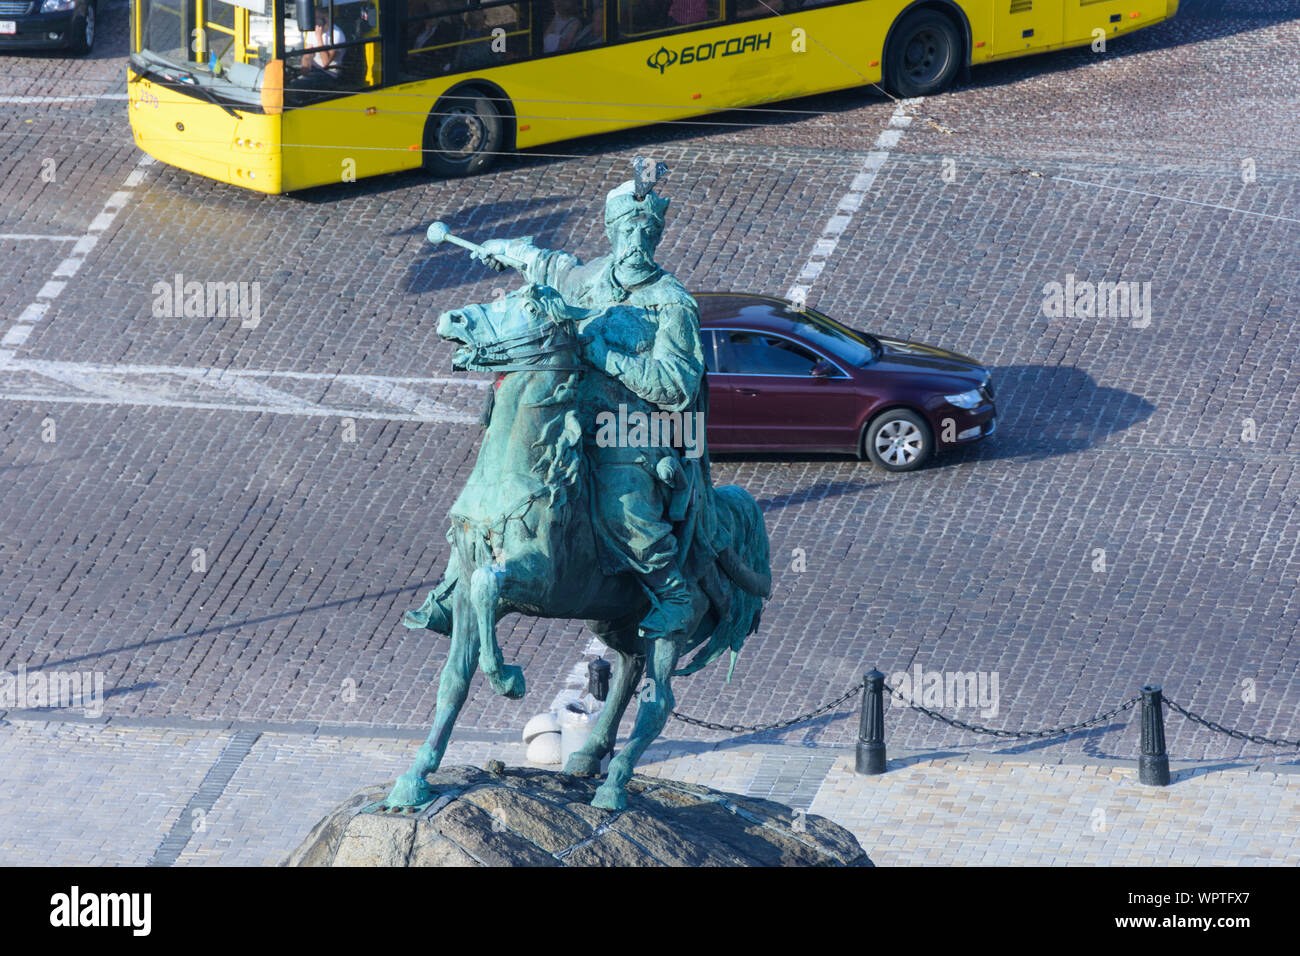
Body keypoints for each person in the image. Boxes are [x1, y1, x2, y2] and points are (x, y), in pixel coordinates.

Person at [408, 168, 711, 650]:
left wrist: (604, 355)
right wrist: (499, 249)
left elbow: (676, 387)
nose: (636, 240)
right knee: (493, 472)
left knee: (623, 508)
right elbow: (540, 262)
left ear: (657, 236)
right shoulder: (586, 276)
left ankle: (672, 593)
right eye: (627, 230)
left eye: (646, 231)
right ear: (611, 233)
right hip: (563, 408)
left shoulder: (672, 304)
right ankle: (451, 586)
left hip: (625, 427)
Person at [292, 2, 346, 88]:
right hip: (314, 70)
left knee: (297, 85)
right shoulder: (313, 31)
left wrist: (319, 38)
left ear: (324, 19)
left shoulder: (337, 35)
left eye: (316, 18)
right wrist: (305, 65)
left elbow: (325, 62)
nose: (314, 21)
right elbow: (308, 54)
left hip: (329, 74)